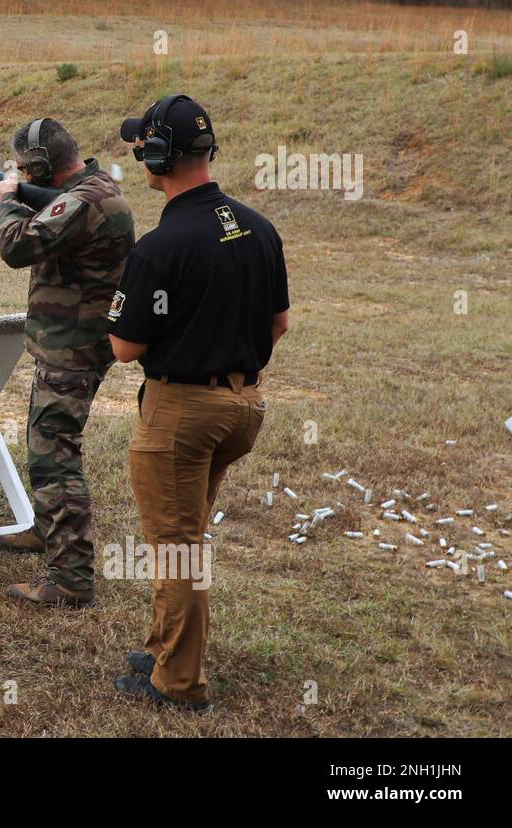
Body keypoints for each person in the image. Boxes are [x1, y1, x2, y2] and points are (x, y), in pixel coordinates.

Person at [106, 94, 290, 710]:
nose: (138, 156)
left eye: (143, 147)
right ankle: (164, 647)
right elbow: (280, 323)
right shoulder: (259, 227)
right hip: (243, 408)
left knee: (178, 546)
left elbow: (126, 347)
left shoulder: (160, 247)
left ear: (159, 154)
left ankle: (179, 684)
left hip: (182, 414)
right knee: (181, 534)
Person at [0, 118, 134, 608]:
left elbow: (18, 246)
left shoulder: (84, 200)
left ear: (42, 167)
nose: (19, 172)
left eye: (24, 168)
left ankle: (71, 579)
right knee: (46, 444)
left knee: (55, 459)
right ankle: (47, 530)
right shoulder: (88, 191)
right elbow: (39, 234)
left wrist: (5, 196)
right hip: (67, 344)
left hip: (74, 348)